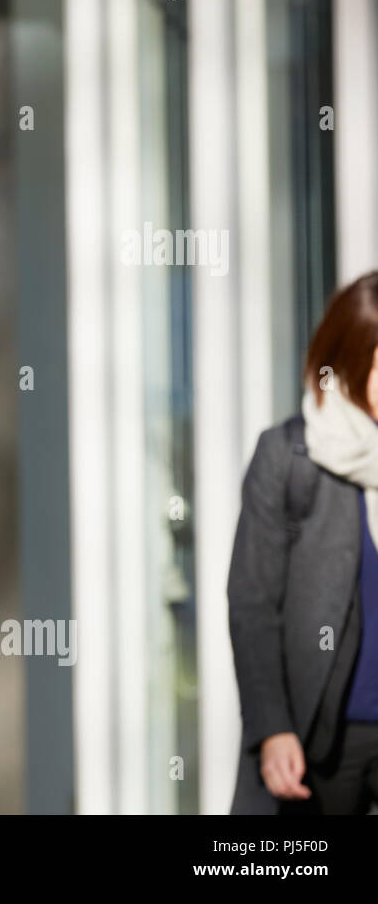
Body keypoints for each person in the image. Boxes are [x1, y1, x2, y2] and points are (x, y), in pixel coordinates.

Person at [229, 270, 378, 814]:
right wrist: (272, 730)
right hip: (319, 748)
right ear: (352, 359)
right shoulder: (288, 457)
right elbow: (252, 603)